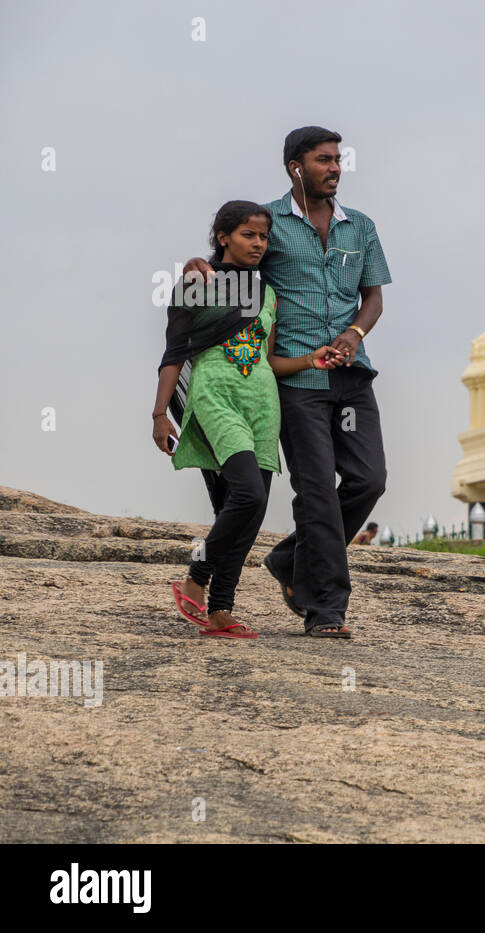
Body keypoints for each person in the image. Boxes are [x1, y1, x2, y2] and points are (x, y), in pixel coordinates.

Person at [183, 126, 391, 639]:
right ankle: (326, 610)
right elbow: (235, 261)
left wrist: (354, 332)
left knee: (369, 480)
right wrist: (199, 266)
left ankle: (289, 558)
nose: (336, 167)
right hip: (296, 382)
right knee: (316, 491)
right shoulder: (269, 223)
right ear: (296, 167)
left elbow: (374, 297)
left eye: (338, 159)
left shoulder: (360, 227)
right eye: (324, 159)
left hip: (351, 374)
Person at [154, 200, 344, 639]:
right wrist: (160, 412)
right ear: (223, 237)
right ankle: (196, 577)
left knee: (240, 512)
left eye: (263, 237)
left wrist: (310, 361)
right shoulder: (196, 284)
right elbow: (174, 353)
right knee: (249, 496)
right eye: (247, 235)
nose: (258, 244)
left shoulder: (267, 293)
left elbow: (269, 360)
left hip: (262, 401)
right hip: (215, 395)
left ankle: (220, 610)